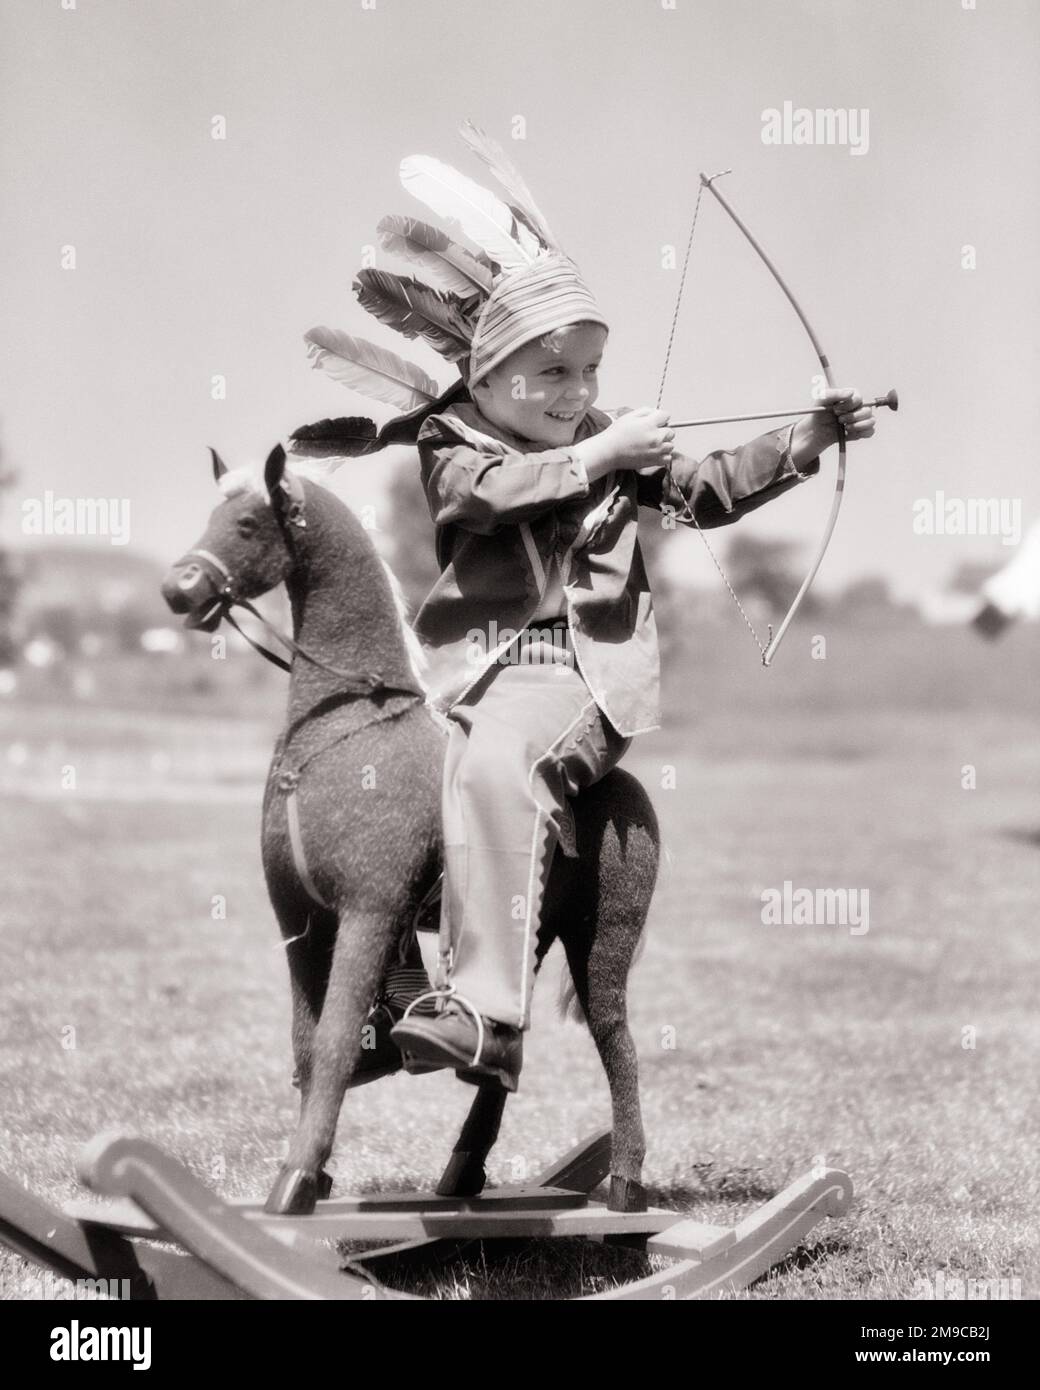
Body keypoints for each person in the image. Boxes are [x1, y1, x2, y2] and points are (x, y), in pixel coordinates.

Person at [297, 123, 876, 1093]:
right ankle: (400, 979)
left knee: (494, 761)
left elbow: (706, 488)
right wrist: (599, 456)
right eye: (553, 372)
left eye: (590, 373)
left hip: (568, 676)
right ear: (487, 374)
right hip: (461, 669)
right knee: (381, 780)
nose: (580, 394)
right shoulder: (451, 437)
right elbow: (483, 495)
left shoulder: (609, 443)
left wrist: (807, 436)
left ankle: (486, 1014)